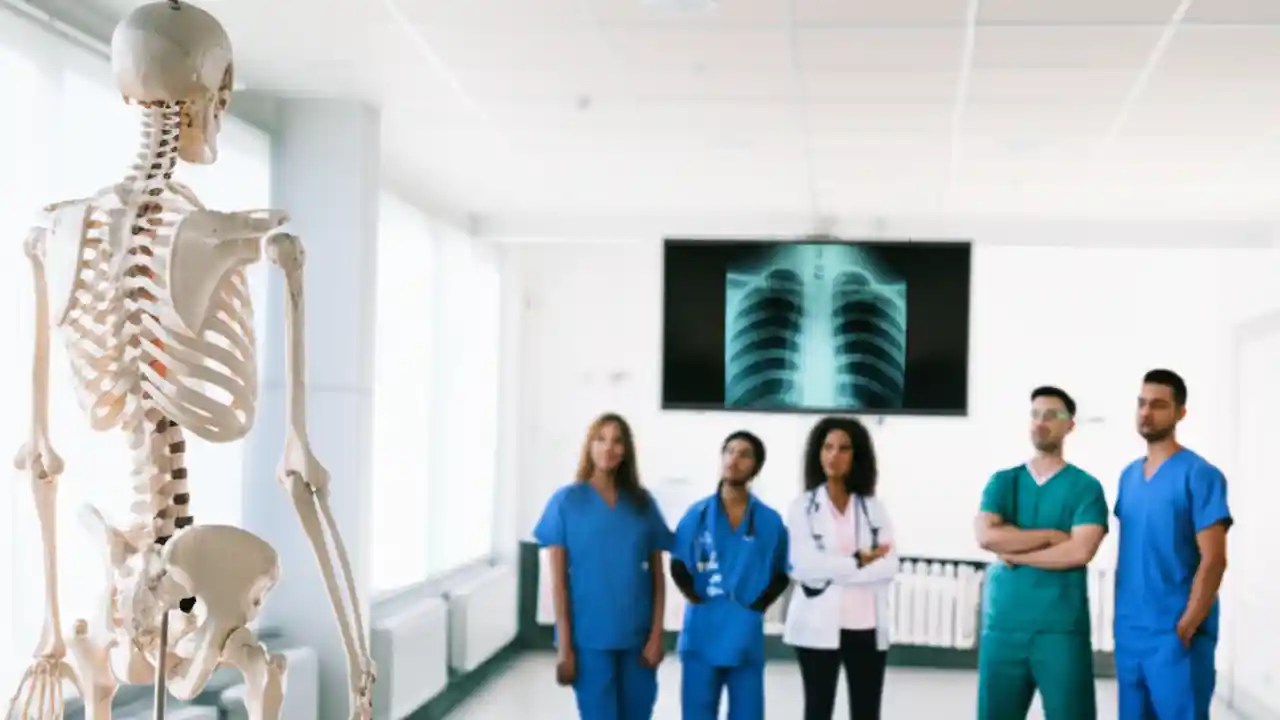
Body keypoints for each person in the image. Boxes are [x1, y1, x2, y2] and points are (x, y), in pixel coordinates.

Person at [973, 386, 1110, 719]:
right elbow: (986, 536)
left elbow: (1079, 551)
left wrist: (1015, 552)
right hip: (1003, 627)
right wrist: (1050, 536)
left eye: (1051, 415)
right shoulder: (1003, 482)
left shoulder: (1085, 488)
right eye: (1035, 415)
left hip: (1060, 629)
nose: (1040, 422)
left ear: (1070, 425)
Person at [532, 412, 674, 720]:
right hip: (589, 639)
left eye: (617, 441)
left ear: (626, 450)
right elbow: (558, 583)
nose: (608, 447)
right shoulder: (566, 502)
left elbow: (658, 578)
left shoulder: (642, 503)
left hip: (637, 637)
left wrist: (656, 635)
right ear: (589, 446)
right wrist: (565, 647)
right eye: (601, 439)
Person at [1113, 369, 1231, 720]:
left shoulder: (1200, 474)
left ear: (1181, 412)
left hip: (1176, 635)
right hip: (1131, 631)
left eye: (1158, 405)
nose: (1146, 413)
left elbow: (1214, 559)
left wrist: (1188, 623)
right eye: (1141, 404)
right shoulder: (1129, 476)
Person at [782, 416, 899, 720]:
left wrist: (835, 570)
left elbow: (890, 564)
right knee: (817, 710)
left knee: (867, 712)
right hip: (817, 624)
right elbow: (804, 567)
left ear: (856, 456)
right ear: (818, 453)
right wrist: (858, 561)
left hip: (866, 625)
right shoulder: (802, 507)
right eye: (828, 447)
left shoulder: (873, 507)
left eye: (844, 448)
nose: (834, 455)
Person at [670, 430, 790, 720]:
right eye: (729, 451)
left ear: (756, 467)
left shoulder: (769, 520)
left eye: (744, 454)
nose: (734, 459)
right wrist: (696, 599)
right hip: (702, 633)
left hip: (744, 635)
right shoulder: (697, 514)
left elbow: (781, 574)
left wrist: (757, 607)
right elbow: (678, 564)